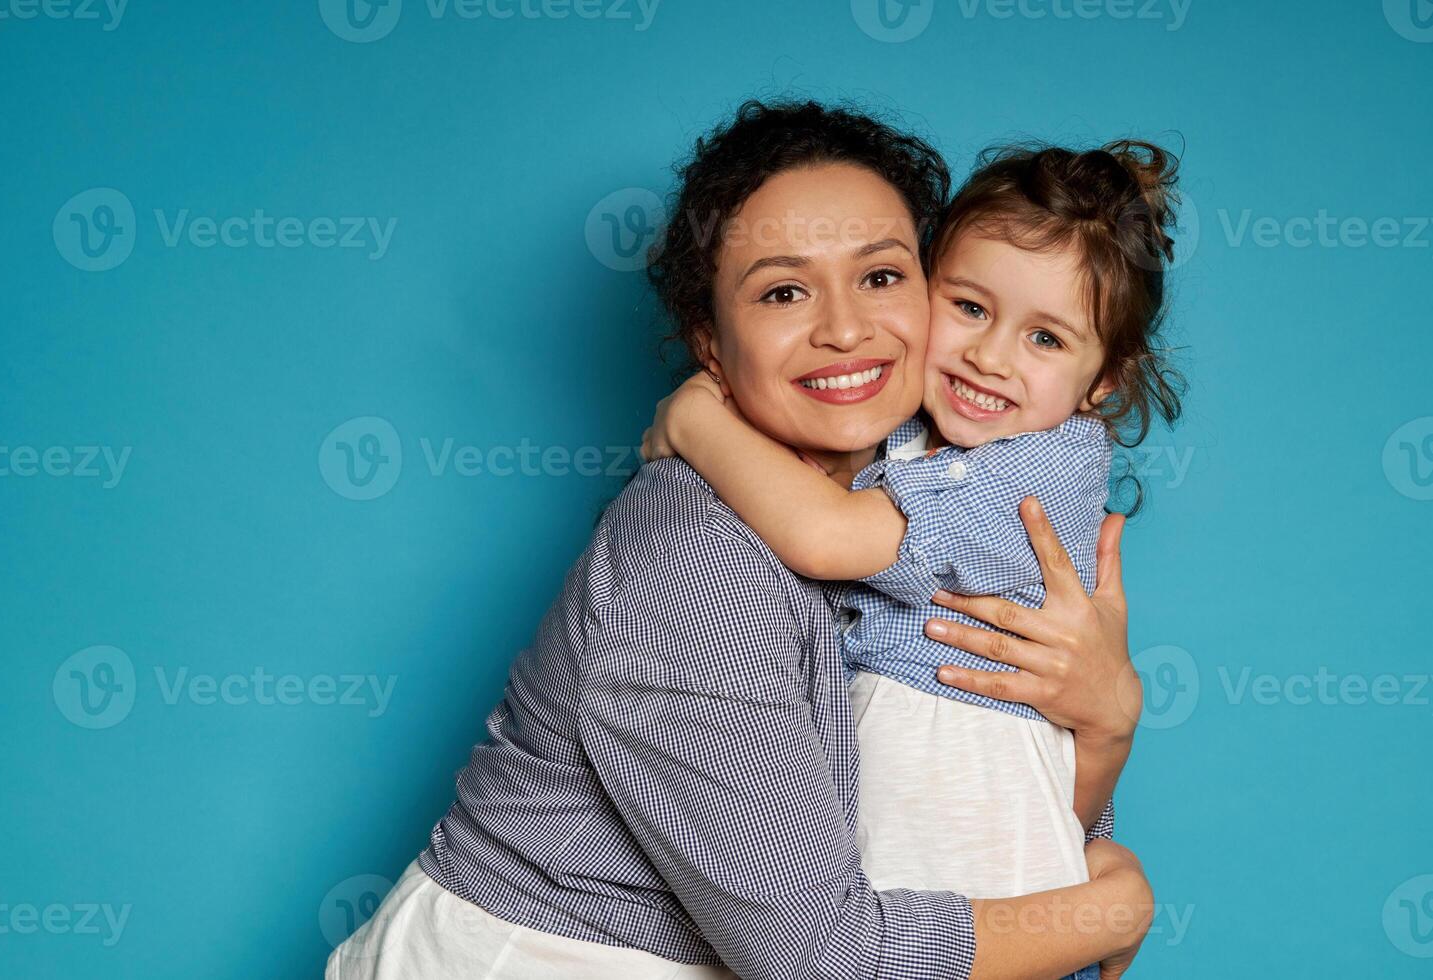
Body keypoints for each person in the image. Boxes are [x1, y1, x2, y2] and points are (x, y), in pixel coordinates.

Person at [327, 100, 1151, 980]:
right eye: (783, 291)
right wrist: (1109, 913)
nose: (844, 328)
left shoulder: (921, 491)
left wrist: (1106, 723)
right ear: (709, 343)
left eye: (879, 276)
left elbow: (994, 795)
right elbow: (823, 960)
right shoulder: (698, 560)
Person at [643, 137, 1185, 980]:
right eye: (968, 307)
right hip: (916, 760)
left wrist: (694, 421)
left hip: (956, 767)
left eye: (1045, 339)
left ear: (1101, 382)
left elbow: (826, 538)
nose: (989, 357)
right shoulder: (919, 436)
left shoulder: (1037, 468)